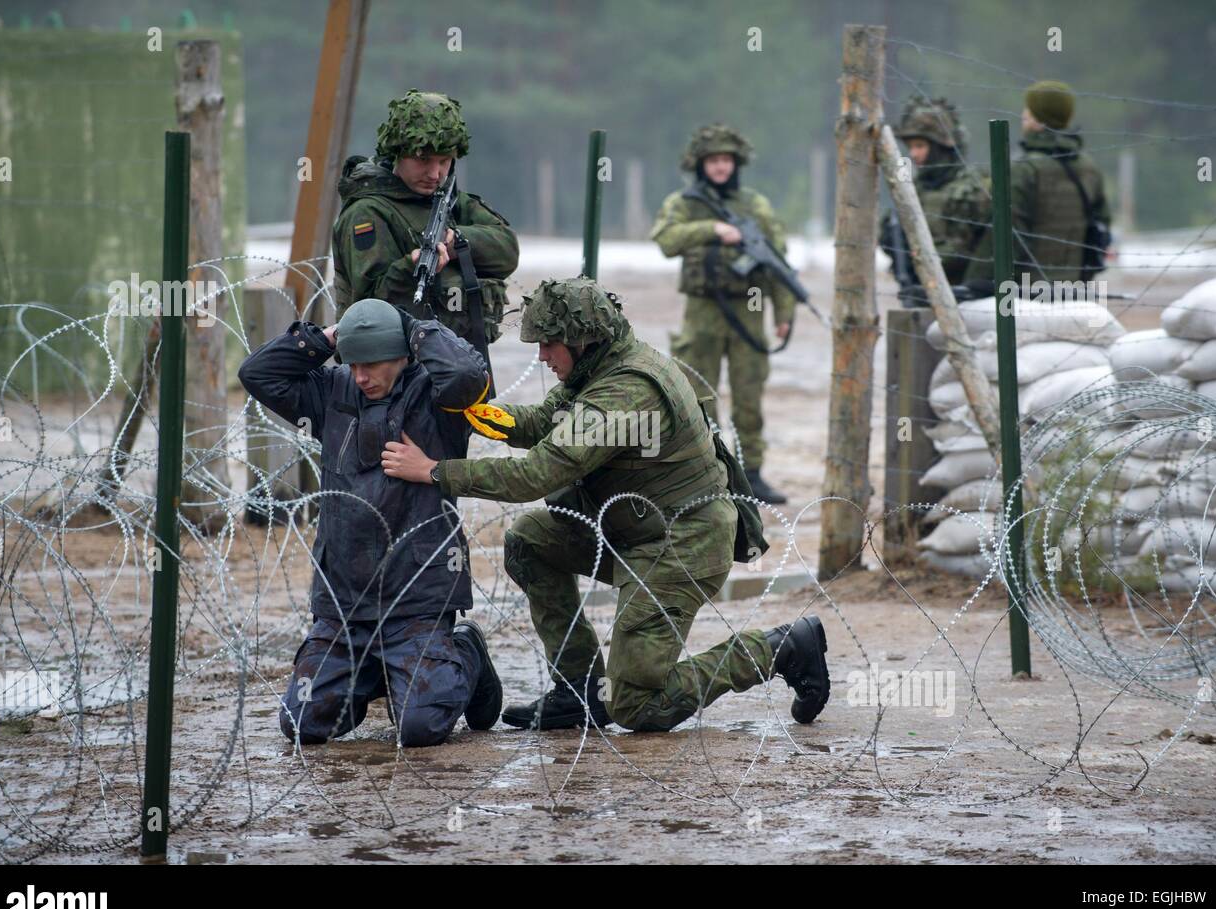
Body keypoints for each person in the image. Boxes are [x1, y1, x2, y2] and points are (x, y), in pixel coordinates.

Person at [381, 277, 831, 733]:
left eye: (548, 345)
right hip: (634, 528)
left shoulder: (625, 392)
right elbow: (543, 422)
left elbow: (538, 473)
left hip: (680, 544)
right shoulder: (599, 366)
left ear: (580, 339)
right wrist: (476, 413)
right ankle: (579, 689)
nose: (540, 356)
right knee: (528, 541)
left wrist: (436, 471)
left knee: (637, 705)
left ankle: (781, 647)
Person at [238, 298, 501, 746]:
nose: (362, 376)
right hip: (345, 601)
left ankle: (464, 652)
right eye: (354, 362)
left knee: (420, 728)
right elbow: (257, 374)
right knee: (303, 722)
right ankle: (385, 672)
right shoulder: (330, 393)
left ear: (402, 354)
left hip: (418, 598)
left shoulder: (438, 399)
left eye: (373, 362)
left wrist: (411, 325)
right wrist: (332, 336)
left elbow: (468, 376)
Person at [651, 123, 793, 505]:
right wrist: (712, 229)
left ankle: (752, 474)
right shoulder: (684, 204)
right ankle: (704, 471)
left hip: (749, 305)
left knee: (749, 394)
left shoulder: (754, 205)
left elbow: (778, 260)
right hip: (703, 309)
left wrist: (784, 312)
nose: (720, 167)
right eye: (713, 160)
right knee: (698, 395)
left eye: (726, 160)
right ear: (700, 164)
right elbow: (665, 239)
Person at [331, 88, 518, 367]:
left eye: (444, 161)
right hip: (389, 372)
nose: (435, 174)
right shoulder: (368, 213)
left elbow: (507, 250)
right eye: (423, 160)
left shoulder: (454, 203)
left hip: (457, 365)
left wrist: (459, 244)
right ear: (397, 153)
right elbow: (368, 306)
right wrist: (411, 267)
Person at [880, 95, 993, 290]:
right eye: (911, 147)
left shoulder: (975, 189)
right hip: (920, 291)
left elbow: (972, 249)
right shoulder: (912, 189)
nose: (913, 154)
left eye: (920, 146)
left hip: (965, 293)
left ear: (941, 147)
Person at [1011, 80, 1111, 285]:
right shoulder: (1088, 165)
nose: (1023, 115)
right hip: (1075, 283)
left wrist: (977, 282)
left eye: (1029, 111)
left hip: (1026, 287)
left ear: (1039, 120)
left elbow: (1009, 232)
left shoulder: (1024, 168)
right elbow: (1103, 221)